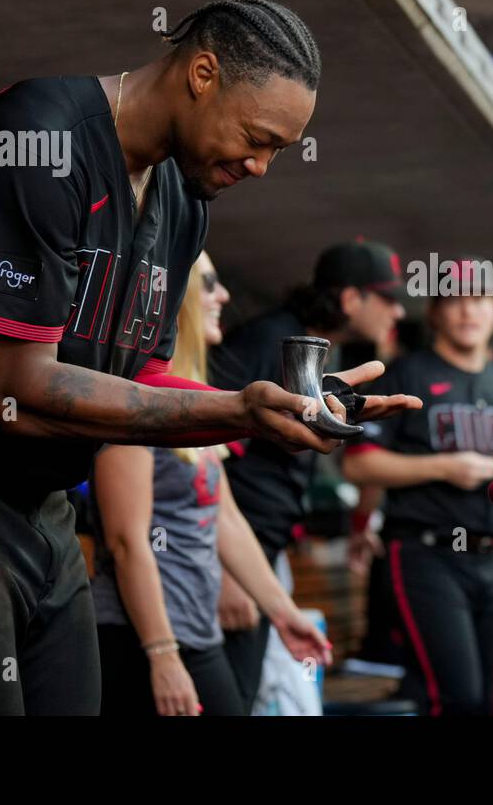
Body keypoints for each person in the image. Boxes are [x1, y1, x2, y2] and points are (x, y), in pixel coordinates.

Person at [0, 0, 417, 715]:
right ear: (201, 73)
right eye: (259, 138)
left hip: (45, 510)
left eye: (279, 150)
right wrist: (240, 412)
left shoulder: (184, 201)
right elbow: (20, 388)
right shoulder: (37, 138)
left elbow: (142, 376)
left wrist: (275, 402)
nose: (261, 166)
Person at [90, 253, 330, 716]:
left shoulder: (194, 397)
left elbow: (225, 519)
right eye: (209, 284)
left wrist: (285, 615)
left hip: (196, 632)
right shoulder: (133, 394)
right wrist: (162, 656)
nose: (224, 295)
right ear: (172, 298)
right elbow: (127, 543)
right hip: (140, 636)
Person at [210, 240, 407, 711]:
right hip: (231, 552)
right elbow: (207, 451)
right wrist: (226, 572)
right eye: (387, 297)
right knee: (233, 694)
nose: (398, 311)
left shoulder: (316, 347)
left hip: (260, 550)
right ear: (349, 300)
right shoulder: (271, 340)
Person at [343, 262, 493, 715]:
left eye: (479, 300)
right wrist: (443, 467)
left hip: (491, 557)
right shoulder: (406, 374)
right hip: (424, 554)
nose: (468, 311)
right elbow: (360, 466)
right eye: (455, 300)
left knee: (485, 696)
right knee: (455, 696)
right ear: (435, 312)